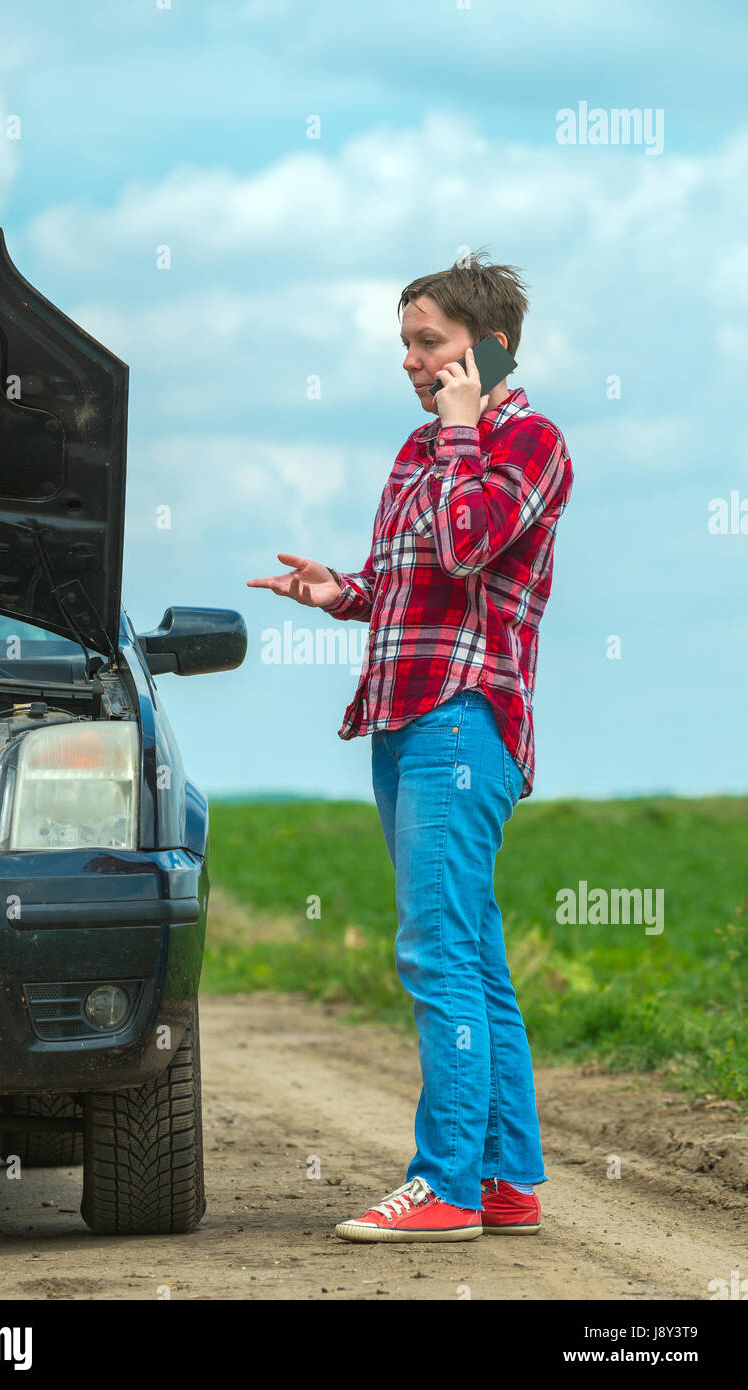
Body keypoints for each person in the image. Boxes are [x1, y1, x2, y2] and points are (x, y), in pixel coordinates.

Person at [247, 250, 573, 1242]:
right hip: (403, 717)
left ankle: (445, 1188)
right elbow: (420, 588)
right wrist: (340, 593)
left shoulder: (528, 442)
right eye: (405, 343)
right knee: (471, 953)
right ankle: (505, 1179)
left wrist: (463, 430)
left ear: (490, 346)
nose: (410, 360)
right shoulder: (422, 446)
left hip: (466, 724)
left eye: (427, 341)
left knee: (435, 953)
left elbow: (469, 542)